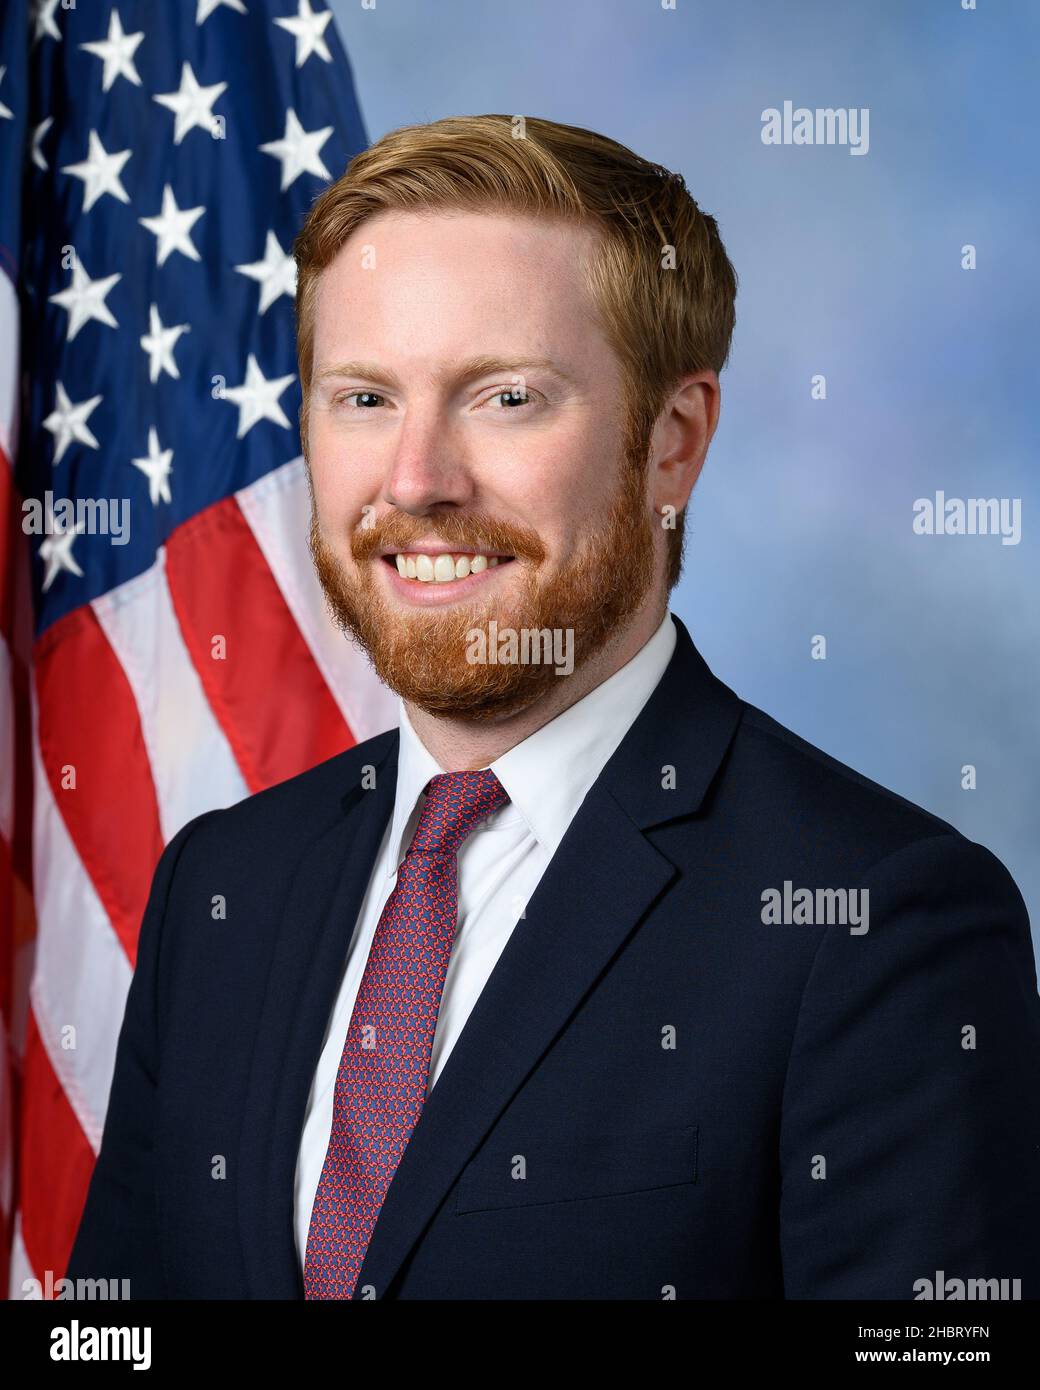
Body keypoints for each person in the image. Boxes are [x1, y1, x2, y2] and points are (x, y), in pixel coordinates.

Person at [67, 114, 1040, 1300]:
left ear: (670, 444)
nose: (416, 480)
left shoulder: (874, 918)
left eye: (507, 396)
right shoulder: (220, 887)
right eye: (363, 398)